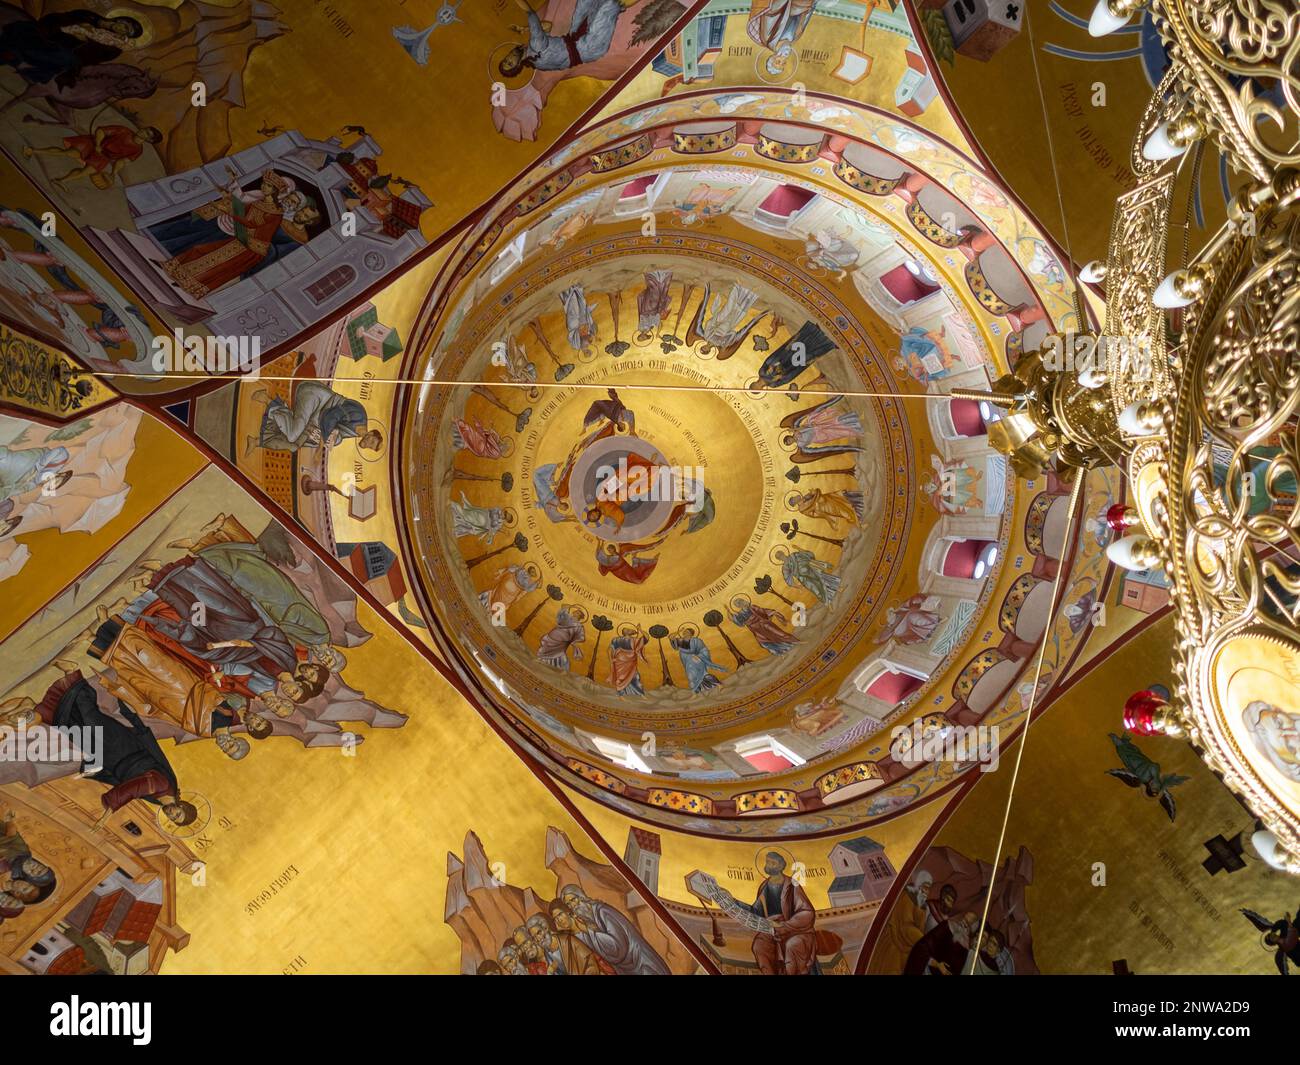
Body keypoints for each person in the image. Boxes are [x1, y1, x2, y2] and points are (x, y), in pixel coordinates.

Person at [29, 667, 197, 829]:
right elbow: (132, 788)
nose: (171, 815)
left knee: (74, 730)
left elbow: (124, 782)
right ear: (181, 805)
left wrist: (95, 772)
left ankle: (39, 708)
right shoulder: (163, 786)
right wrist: (109, 810)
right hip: (122, 746)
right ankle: (72, 673)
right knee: (90, 717)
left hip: (110, 759)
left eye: (173, 819)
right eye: (177, 814)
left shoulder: (158, 798)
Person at [559, 885, 669, 974]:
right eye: (569, 904)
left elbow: (618, 947)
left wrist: (588, 930)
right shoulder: (586, 920)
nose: (573, 905)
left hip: (640, 962)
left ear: (581, 896)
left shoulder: (603, 912)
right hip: (625, 969)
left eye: (573, 899)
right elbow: (593, 947)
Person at [23, 125, 160, 190]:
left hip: (103, 157)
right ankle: (33, 150)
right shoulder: (124, 131)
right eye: (145, 129)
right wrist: (98, 144)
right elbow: (101, 131)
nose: (142, 130)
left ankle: (61, 181)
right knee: (68, 153)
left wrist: (113, 173)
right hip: (94, 144)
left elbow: (122, 161)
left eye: (146, 133)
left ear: (149, 140)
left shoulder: (137, 150)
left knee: (87, 171)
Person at [746, 851, 818, 975]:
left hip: (796, 931)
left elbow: (807, 912)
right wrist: (733, 901)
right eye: (768, 861)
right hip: (773, 930)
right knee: (759, 945)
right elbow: (756, 911)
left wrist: (783, 925)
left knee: (792, 946)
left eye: (773, 863)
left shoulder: (792, 885)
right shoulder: (764, 886)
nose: (769, 865)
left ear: (781, 866)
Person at [546, 899, 613, 974]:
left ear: (567, 912)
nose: (559, 920)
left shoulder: (584, 922)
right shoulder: (567, 938)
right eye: (555, 919)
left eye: (560, 914)